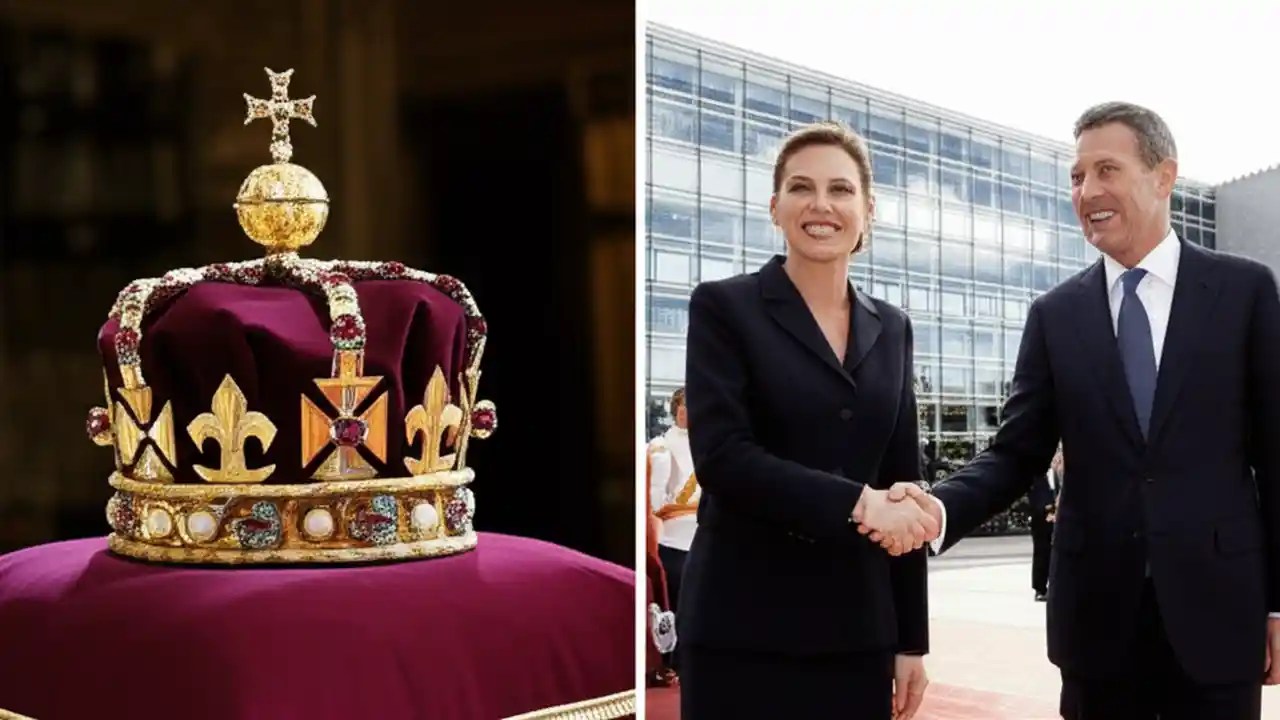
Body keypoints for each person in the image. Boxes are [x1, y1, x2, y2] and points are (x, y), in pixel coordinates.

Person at [862, 101, 1280, 719]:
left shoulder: (1246, 292)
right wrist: (940, 507)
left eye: (1106, 170)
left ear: (1163, 175)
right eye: (1077, 177)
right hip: (1096, 625)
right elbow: (1016, 452)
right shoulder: (1055, 315)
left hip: (1220, 614)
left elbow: (1275, 459)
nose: (1087, 191)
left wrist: (1278, 603)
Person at [680, 121, 939, 720]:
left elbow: (905, 480)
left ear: (867, 210)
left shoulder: (894, 327)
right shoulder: (724, 307)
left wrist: (910, 641)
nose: (821, 205)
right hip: (741, 628)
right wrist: (859, 502)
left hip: (858, 634)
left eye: (841, 190)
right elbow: (723, 458)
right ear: (775, 207)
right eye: (802, 188)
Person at [647, 387, 697, 614]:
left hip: (705, 533)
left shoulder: (712, 445)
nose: (684, 412)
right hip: (672, 539)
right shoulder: (660, 446)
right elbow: (655, 501)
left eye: (688, 406)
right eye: (681, 406)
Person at [1028, 446, 1063, 601]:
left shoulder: (1057, 472)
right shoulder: (1037, 474)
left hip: (1058, 516)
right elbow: (1037, 497)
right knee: (1042, 552)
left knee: (1057, 553)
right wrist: (1049, 511)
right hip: (1041, 518)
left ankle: (1056, 587)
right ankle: (1040, 588)